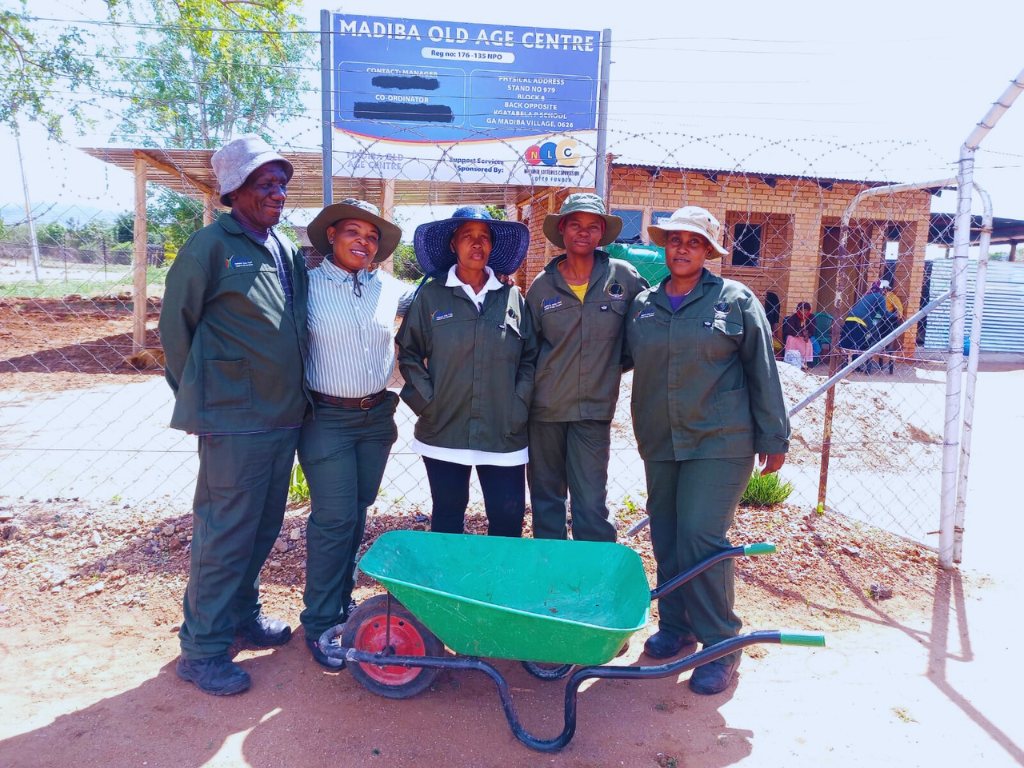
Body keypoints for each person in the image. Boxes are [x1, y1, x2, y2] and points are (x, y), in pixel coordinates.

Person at [159, 134, 308, 696]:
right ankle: (201, 649)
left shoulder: (282, 246)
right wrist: (205, 394)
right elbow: (178, 331)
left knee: (262, 527)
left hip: (282, 415)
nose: (278, 192)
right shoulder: (210, 247)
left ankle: (240, 616)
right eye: (265, 184)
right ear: (234, 190)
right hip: (234, 419)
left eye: (280, 183)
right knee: (224, 533)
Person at [625, 206, 789, 695]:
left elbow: (763, 370)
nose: (681, 248)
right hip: (662, 438)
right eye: (674, 240)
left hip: (720, 441)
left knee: (701, 535)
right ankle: (678, 627)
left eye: (693, 242)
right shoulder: (644, 304)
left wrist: (773, 436)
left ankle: (721, 643)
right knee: (669, 536)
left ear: (710, 251)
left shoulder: (735, 301)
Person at [297, 199, 410, 670]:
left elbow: (436, 300)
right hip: (326, 418)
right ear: (330, 237)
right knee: (334, 517)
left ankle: (341, 603)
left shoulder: (387, 288)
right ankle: (321, 621)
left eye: (371, 236)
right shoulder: (305, 286)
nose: (363, 241)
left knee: (356, 512)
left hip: (375, 416)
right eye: (352, 232)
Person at [397, 206, 536, 537]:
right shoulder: (430, 297)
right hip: (444, 430)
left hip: (503, 431)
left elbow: (530, 358)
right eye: (467, 236)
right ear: (452, 245)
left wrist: (518, 404)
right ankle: (448, 588)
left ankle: (496, 588)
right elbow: (409, 353)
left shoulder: (512, 298)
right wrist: (428, 404)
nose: (477, 244)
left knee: (508, 518)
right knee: (447, 516)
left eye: (484, 237)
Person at [525, 193, 648, 542]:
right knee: (547, 500)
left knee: (591, 504)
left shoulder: (623, 277)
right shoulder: (542, 287)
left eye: (593, 226)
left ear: (602, 233)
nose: (584, 233)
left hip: (593, 410)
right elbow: (529, 349)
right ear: (562, 229)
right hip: (545, 410)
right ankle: (550, 579)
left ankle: (593, 584)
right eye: (575, 225)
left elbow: (644, 327)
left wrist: (610, 365)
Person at [839, 281, 896, 368]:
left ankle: (845, 365)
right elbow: (884, 313)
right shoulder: (879, 296)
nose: (886, 292)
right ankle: (855, 366)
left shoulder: (866, 296)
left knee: (849, 343)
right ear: (882, 289)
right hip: (861, 320)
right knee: (858, 343)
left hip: (849, 317)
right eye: (885, 290)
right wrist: (895, 315)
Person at [782, 301, 817, 367]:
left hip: (805, 337)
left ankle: (803, 361)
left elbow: (812, 330)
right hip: (794, 336)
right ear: (798, 310)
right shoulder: (793, 317)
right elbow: (788, 330)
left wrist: (807, 335)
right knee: (790, 339)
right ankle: (791, 359)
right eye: (802, 310)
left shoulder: (811, 317)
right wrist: (798, 333)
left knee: (809, 342)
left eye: (806, 310)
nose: (804, 312)